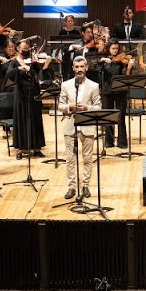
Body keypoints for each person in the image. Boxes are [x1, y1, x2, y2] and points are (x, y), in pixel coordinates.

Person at [59, 57, 102, 199]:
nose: (79, 69)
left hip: (87, 125)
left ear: (86, 68)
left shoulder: (94, 86)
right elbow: (60, 105)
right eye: (76, 66)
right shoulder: (65, 85)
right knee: (70, 159)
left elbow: (98, 106)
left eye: (81, 66)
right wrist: (69, 106)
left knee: (87, 158)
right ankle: (71, 187)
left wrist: (87, 108)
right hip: (70, 124)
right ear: (73, 68)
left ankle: (85, 185)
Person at [5, 41, 46, 158]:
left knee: (35, 119)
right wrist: (19, 68)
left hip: (33, 93)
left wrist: (37, 64)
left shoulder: (32, 60)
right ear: (18, 49)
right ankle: (20, 149)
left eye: (28, 49)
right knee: (22, 120)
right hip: (21, 95)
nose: (27, 51)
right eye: (24, 49)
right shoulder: (14, 62)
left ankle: (37, 147)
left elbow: (39, 73)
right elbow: (9, 73)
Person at [99, 41, 135, 147]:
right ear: (108, 49)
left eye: (116, 48)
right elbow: (95, 68)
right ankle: (109, 142)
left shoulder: (121, 61)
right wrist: (102, 61)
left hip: (120, 91)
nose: (115, 51)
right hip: (107, 91)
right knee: (108, 117)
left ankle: (122, 143)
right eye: (113, 48)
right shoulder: (104, 59)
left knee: (121, 117)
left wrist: (129, 68)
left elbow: (126, 76)